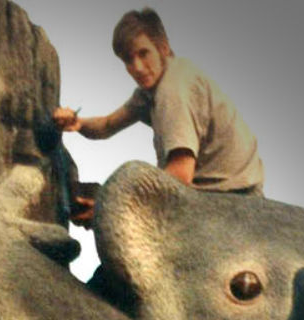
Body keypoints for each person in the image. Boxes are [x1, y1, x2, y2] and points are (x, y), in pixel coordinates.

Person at [53, 8, 264, 224]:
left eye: (143, 53)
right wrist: (77, 123)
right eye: (128, 59)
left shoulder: (173, 90)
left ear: (162, 47)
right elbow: (107, 125)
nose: (138, 67)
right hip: (220, 191)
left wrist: (111, 210)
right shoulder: (152, 88)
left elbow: (180, 175)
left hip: (231, 199)